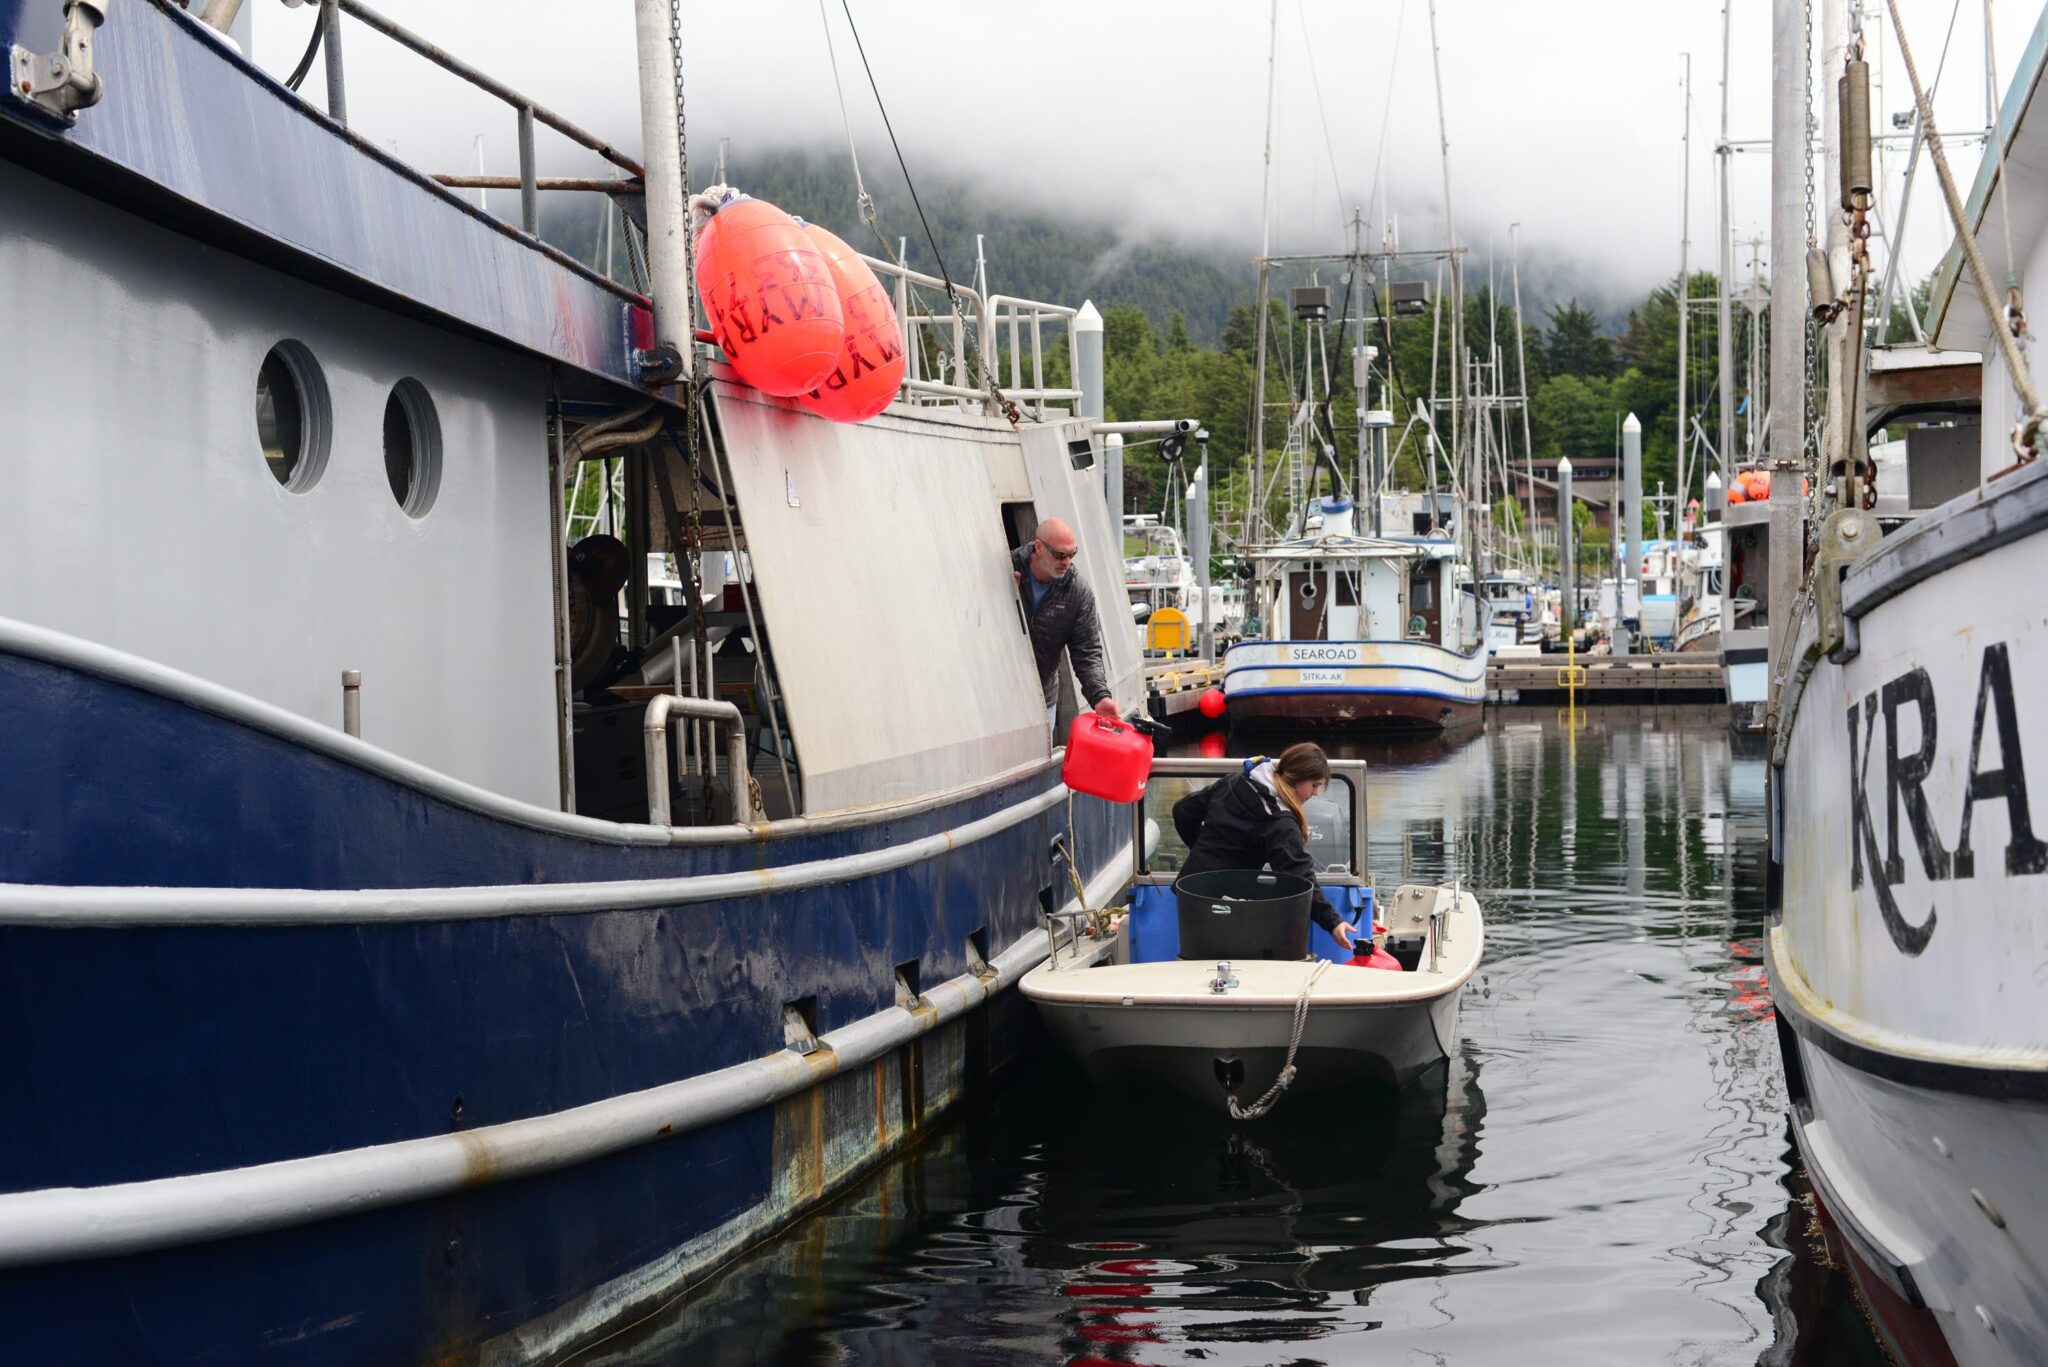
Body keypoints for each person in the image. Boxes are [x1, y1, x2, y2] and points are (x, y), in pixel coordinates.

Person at [1171, 742, 1359, 951]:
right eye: (1314, 785)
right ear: (1298, 777)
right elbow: (1300, 876)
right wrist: (1333, 922)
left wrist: (1201, 853)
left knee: (1197, 964)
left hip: (1190, 895)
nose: (1315, 793)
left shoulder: (1232, 783)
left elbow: (1182, 811)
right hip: (1231, 905)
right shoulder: (1280, 823)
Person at [1012, 517, 1119, 730]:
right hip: (999, 692)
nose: (1067, 562)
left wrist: (1100, 696)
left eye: (1072, 554)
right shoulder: (1006, 570)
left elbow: (1087, 652)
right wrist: (1007, 595)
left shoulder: (1078, 592)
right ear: (1039, 547)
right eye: (1060, 555)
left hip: (1043, 696)